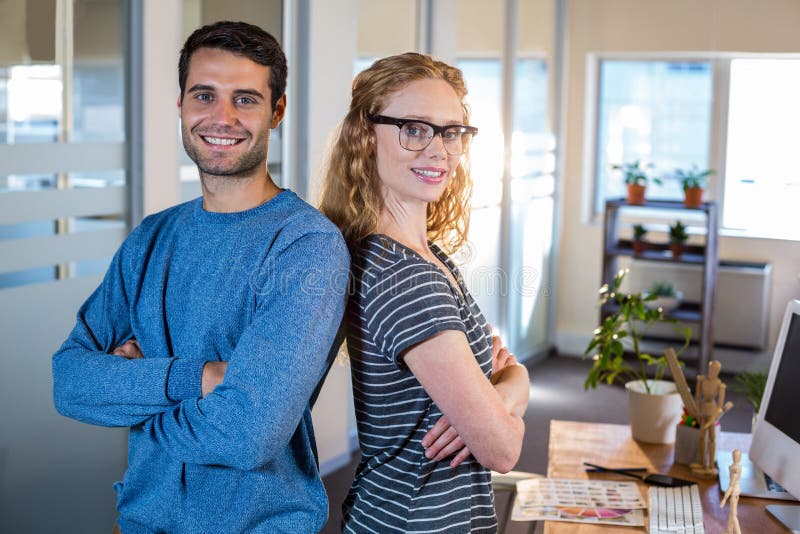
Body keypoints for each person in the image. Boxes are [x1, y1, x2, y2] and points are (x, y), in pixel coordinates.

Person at [52, 21, 349, 533]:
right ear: (182, 104)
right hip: (142, 522)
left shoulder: (306, 247)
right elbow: (69, 381)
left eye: (246, 99)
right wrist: (203, 377)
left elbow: (247, 433)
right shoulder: (151, 238)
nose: (222, 117)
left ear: (277, 111)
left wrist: (132, 397)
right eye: (205, 95)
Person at [320, 53, 530, 533]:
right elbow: (502, 449)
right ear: (365, 138)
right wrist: (514, 390)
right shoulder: (405, 277)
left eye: (452, 131)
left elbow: (498, 381)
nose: (439, 150)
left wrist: (506, 389)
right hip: (414, 518)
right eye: (414, 128)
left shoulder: (422, 253)